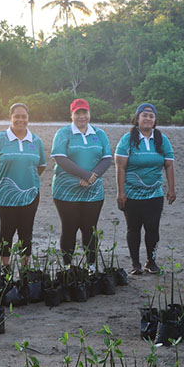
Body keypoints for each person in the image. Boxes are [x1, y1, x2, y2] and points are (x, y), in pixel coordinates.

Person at [115, 103, 176, 274]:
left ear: (155, 120)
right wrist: (121, 192)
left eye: (151, 116)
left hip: (154, 194)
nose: (148, 118)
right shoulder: (127, 139)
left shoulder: (161, 140)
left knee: (152, 228)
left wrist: (172, 189)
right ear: (137, 119)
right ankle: (135, 264)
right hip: (131, 194)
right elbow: (120, 167)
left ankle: (151, 261)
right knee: (133, 229)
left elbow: (169, 165)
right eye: (144, 115)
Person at [50, 98, 112, 268]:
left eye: (84, 112)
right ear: (72, 115)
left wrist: (93, 176)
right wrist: (84, 174)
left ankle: (91, 266)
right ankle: (68, 267)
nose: (81, 116)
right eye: (78, 113)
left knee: (89, 229)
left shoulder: (99, 134)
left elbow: (107, 158)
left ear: (89, 113)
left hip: (93, 191)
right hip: (66, 191)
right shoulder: (63, 133)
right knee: (69, 228)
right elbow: (60, 157)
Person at [0, 102, 46, 270]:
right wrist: (4, 181)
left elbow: (41, 166)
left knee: (26, 231)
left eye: (23, 117)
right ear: (10, 118)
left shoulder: (36, 141)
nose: (20, 120)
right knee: (7, 231)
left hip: (31, 194)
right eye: (16, 116)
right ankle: (5, 268)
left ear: (28, 118)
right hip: (6, 195)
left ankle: (25, 268)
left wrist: (27, 182)